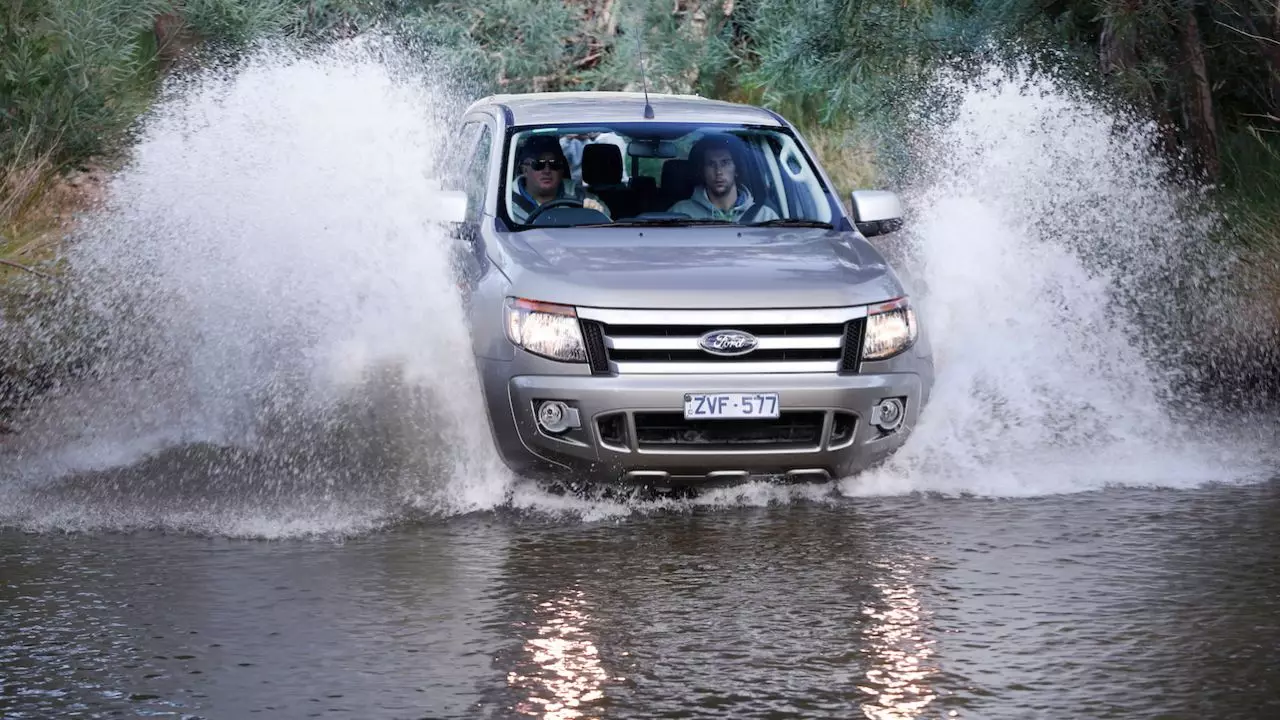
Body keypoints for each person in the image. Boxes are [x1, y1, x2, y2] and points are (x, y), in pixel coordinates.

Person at [667, 133, 780, 223]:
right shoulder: (680, 214)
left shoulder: (765, 217)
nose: (718, 171)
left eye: (725, 163)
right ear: (703, 171)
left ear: (736, 169)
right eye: (711, 164)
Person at [510, 135, 611, 224]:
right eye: (538, 164)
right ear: (525, 170)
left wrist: (596, 212)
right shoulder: (506, 203)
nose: (547, 170)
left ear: (562, 169)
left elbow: (608, 222)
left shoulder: (579, 195)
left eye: (554, 164)